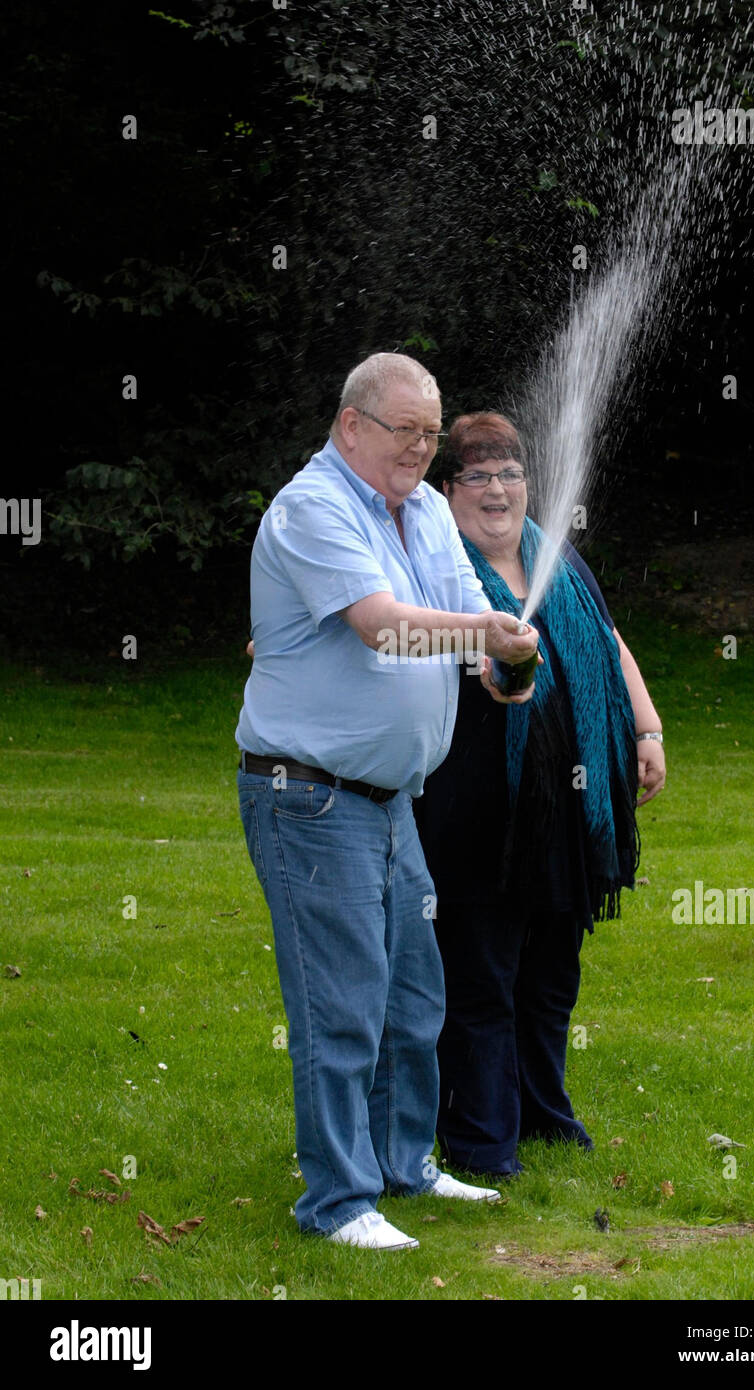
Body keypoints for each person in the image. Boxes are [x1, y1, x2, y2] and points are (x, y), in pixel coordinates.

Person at [235, 358, 540, 1249]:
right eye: (402, 428)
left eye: (430, 433)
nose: (418, 447)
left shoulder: (423, 514)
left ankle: (404, 1167)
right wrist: (482, 634)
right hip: (308, 799)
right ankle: (336, 1202)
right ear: (350, 425)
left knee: (414, 997)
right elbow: (384, 626)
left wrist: (499, 663)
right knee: (342, 1007)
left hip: (392, 798)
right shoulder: (312, 509)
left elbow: (453, 621)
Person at [412, 411, 665, 1178]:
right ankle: (481, 1142)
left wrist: (646, 733)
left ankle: (544, 1119)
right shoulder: (433, 568)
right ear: (446, 490)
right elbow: (389, 641)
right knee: (481, 978)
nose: (498, 490)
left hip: (564, 816)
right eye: (478, 476)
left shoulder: (557, 558)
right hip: (472, 814)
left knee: (549, 979)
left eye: (511, 473)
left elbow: (608, 641)